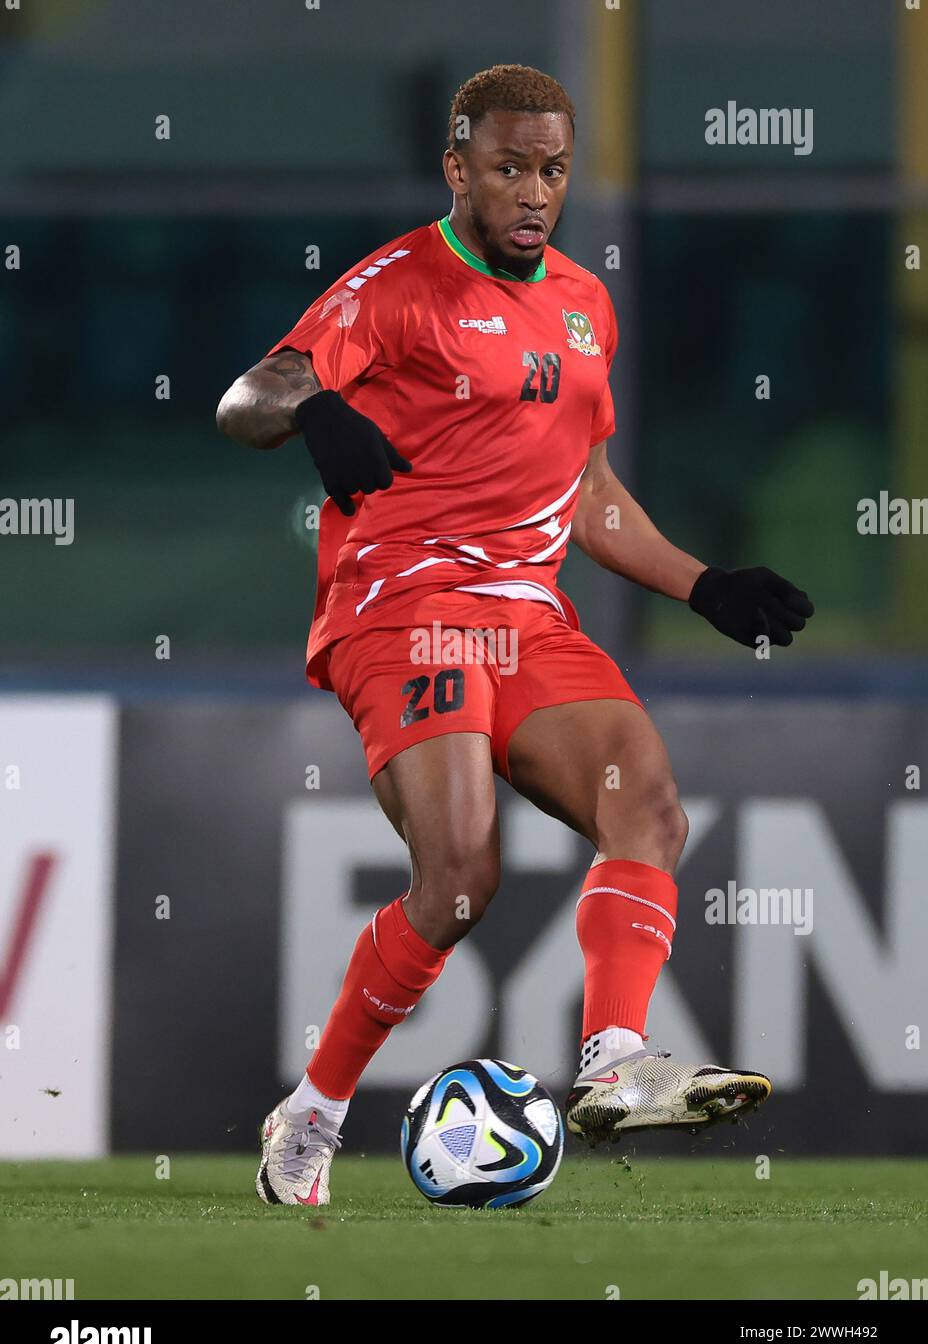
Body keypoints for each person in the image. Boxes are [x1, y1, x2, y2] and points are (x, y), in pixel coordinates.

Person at [217, 64, 814, 1207]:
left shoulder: (588, 303)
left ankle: (613, 1059)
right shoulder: (395, 287)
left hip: (523, 617)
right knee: (458, 878)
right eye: (506, 168)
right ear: (458, 169)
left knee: (646, 803)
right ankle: (315, 1114)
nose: (532, 191)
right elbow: (247, 397)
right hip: (403, 605)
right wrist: (318, 407)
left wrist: (704, 586)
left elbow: (585, 496)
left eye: (550, 168)